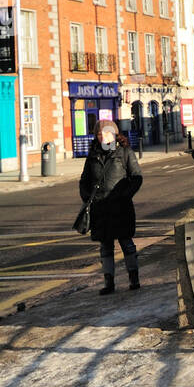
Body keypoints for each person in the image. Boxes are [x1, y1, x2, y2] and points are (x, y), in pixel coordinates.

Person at [78, 119, 143, 295]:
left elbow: (137, 177)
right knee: (105, 247)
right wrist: (87, 198)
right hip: (100, 209)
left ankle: (134, 279)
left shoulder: (125, 153)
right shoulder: (92, 155)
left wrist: (125, 195)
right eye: (99, 134)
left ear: (114, 134)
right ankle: (109, 283)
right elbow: (84, 180)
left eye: (106, 133)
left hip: (120, 207)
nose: (102, 137)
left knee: (126, 243)